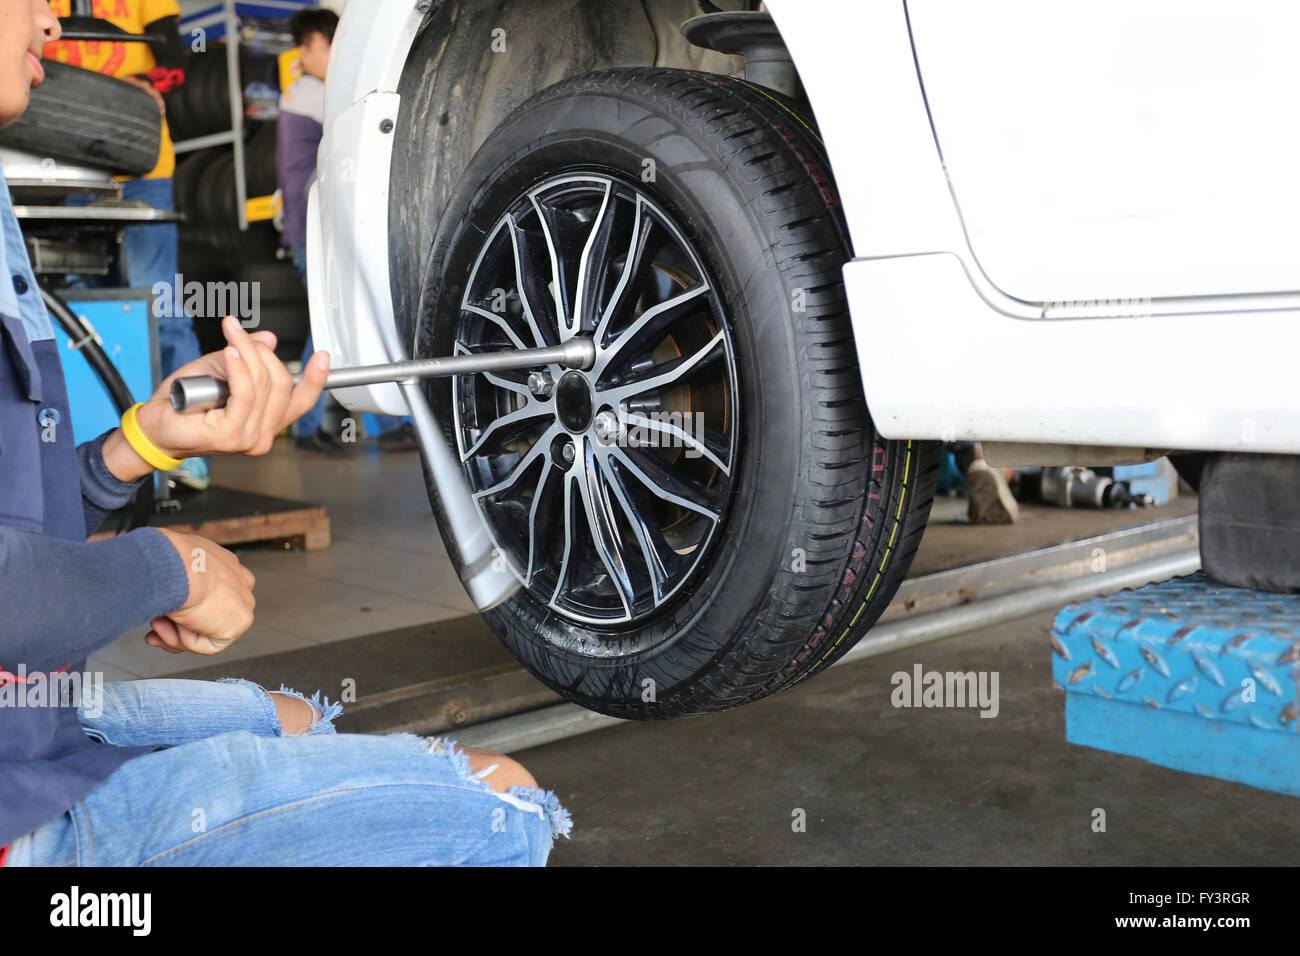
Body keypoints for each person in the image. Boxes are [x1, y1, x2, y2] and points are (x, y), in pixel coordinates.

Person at [0, 0, 569, 867]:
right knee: (506, 800)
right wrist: (171, 566)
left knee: (298, 718)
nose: (51, 22)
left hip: (31, 708)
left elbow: (20, 534)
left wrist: (142, 445)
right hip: (17, 807)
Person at [44, 0, 212, 489]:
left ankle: (187, 445)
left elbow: (175, 63)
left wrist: (146, 85)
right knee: (70, 310)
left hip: (143, 167)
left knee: (162, 306)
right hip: (63, 167)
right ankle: (87, 443)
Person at [277, 8, 416, 453]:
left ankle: (381, 427)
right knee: (332, 328)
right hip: (317, 232)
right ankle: (306, 425)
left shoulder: (306, 93)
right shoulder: (307, 94)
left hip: (322, 229)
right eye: (325, 47)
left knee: (346, 324)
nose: (330, 57)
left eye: (324, 46)